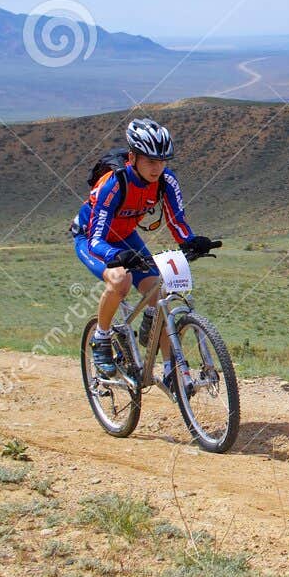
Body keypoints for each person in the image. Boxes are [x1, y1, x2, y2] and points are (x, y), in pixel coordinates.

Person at [73, 119, 213, 387]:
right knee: (120, 280)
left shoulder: (166, 180)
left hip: (126, 237)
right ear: (133, 157)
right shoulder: (113, 184)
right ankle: (101, 339)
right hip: (91, 237)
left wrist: (192, 241)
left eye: (162, 161)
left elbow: (176, 220)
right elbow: (96, 239)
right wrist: (116, 257)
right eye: (150, 161)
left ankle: (172, 368)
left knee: (158, 292)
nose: (157, 167)